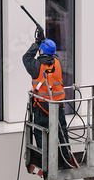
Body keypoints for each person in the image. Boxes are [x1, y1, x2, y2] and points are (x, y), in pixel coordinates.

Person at [23, 30, 74, 170]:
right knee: (61, 131)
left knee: (41, 133)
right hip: (58, 105)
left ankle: (47, 162)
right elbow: (50, 53)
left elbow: (26, 57)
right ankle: (66, 159)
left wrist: (37, 42)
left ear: (41, 51)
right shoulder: (57, 62)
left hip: (42, 106)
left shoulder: (35, 66)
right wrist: (44, 42)